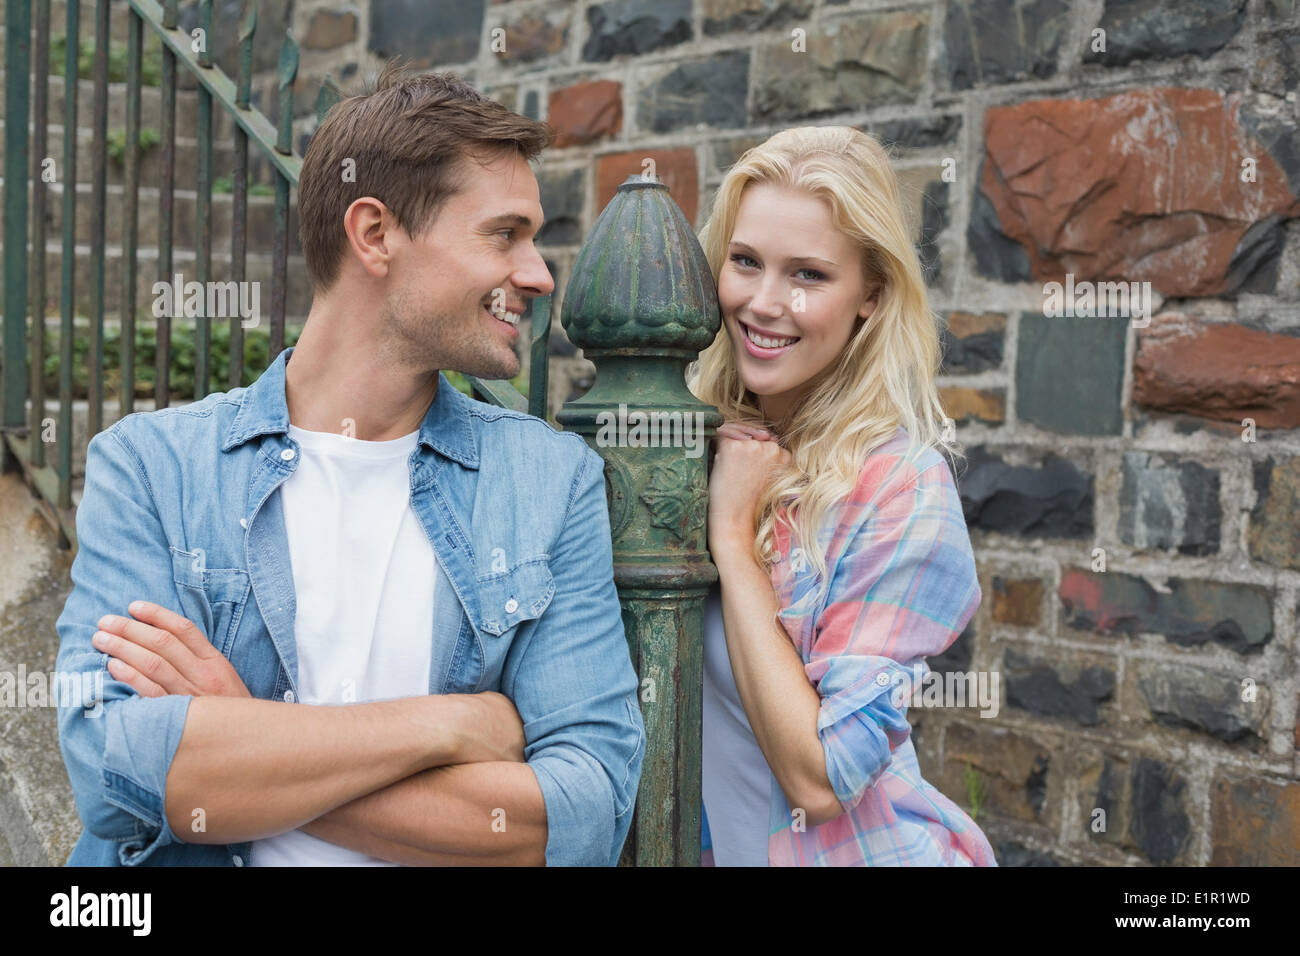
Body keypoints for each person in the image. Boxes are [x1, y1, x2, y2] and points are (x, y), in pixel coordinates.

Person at [53, 62, 644, 867]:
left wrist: (246, 732)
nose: (539, 275)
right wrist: (454, 724)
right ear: (374, 235)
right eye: (505, 234)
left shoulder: (548, 482)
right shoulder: (153, 467)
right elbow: (113, 776)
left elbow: (582, 814)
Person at [689, 125, 996, 866]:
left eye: (808, 276)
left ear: (872, 294)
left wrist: (732, 542)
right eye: (745, 261)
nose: (764, 303)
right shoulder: (688, 442)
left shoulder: (899, 490)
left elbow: (823, 781)